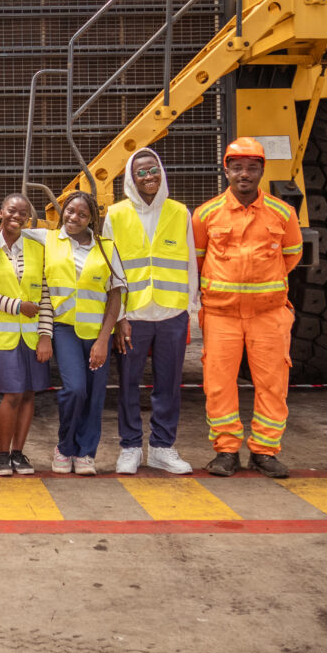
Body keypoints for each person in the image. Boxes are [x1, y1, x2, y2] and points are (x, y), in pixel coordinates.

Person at [193, 137, 303, 478]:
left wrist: (260, 288)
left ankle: (264, 452)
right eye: (237, 167)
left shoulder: (284, 213)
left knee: (272, 383)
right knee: (218, 384)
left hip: (268, 315)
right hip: (221, 315)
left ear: (262, 171)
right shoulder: (205, 214)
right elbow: (197, 261)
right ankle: (226, 451)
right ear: (226, 170)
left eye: (252, 168)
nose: (244, 174)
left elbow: (292, 255)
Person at [103, 148, 198, 476]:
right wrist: (118, 317)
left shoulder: (179, 212)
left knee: (168, 384)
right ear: (131, 177)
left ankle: (162, 447)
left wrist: (190, 306)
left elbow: (190, 263)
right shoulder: (115, 215)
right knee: (128, 384)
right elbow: (110, 269)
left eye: (153, 169)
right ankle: (130, 447)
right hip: (134, 315)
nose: (148, 177)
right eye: (141, 172)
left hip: (171, 312)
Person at [46, 191, 125, 476]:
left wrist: (104, 339)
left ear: (92, 218)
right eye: (69, 211)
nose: (73, 217)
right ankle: (64, 448)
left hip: (96, 333)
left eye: (81, 214)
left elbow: (115, 295)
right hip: (64, 328)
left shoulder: (106, 247)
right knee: (75, 389)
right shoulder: (48, 240)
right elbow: (12, 227)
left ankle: (85, 453)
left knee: (94, 395)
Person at [0, 193, 53, 476]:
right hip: (1, 337)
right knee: (13, 394)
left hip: (32, 336)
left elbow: (45, 295)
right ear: (1, 211)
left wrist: (46, 336)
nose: (17, 216)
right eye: (11, 210)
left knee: (30, 394)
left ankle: (19, 453)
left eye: (23, 212)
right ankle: (2, 454)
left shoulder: (38, 248)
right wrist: (19, 306)